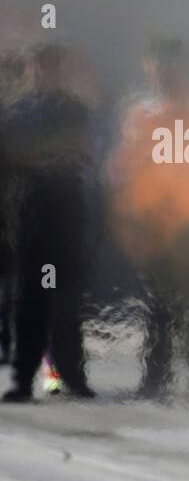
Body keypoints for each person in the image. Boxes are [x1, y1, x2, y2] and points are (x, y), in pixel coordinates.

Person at [2, 44, 96, 402]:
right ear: (31, 71)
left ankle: (71, 375)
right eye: (40, 67)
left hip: (66, 213)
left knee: (67, 300)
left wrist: (37, 155)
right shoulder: (18, 112)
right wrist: (42, 156)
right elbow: (12, 156)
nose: (46, 74)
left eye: (52, 67)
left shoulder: (75, 110)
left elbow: (77, 151)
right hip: (31, 212)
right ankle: (24, 379)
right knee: (29, 300)